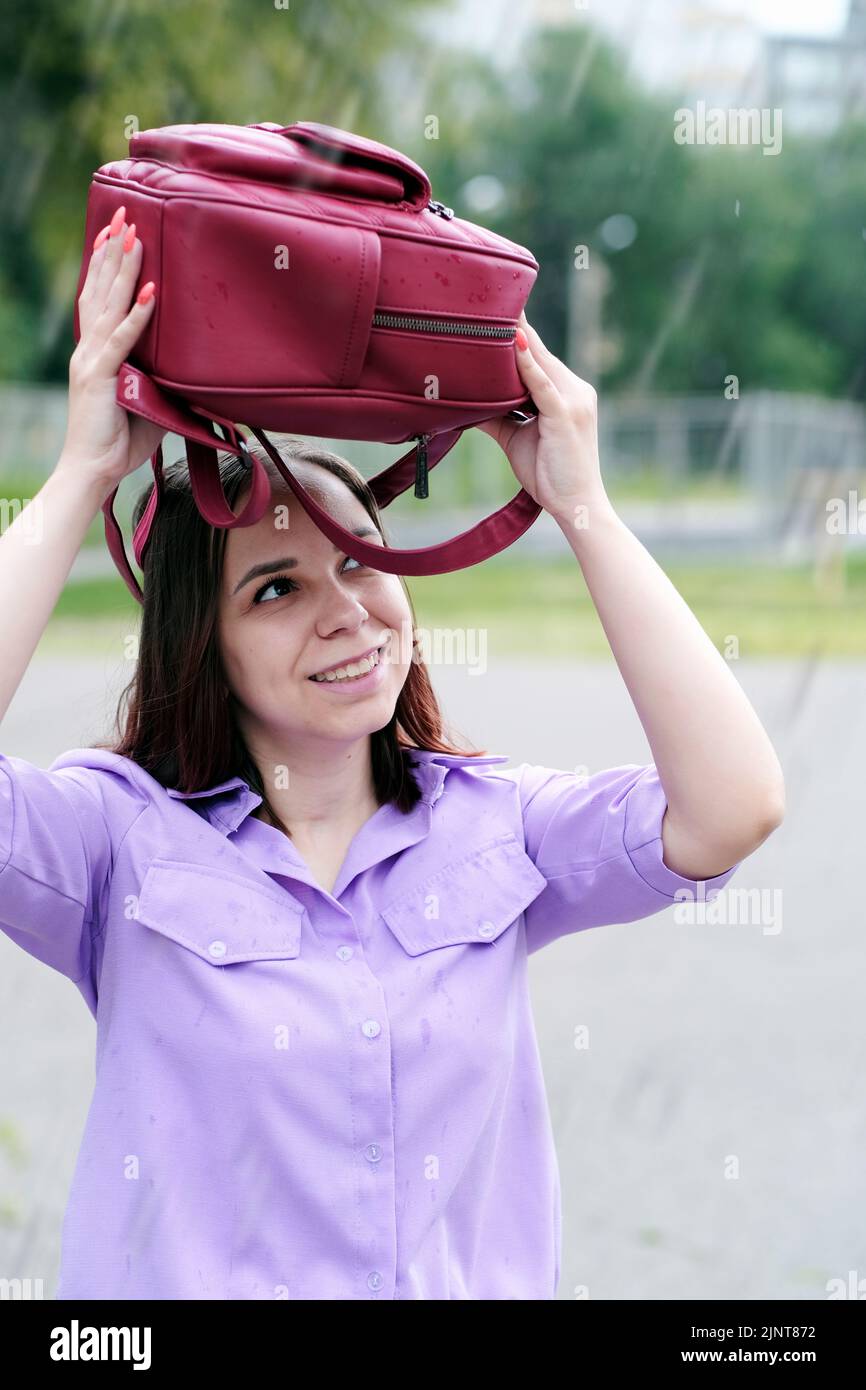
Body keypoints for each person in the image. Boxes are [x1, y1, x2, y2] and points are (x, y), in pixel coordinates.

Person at [0, 206, 785, 1300]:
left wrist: (583, 507)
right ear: (201, 643)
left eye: (359, 558)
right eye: (274, 588)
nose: (346, 612)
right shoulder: (115, 843)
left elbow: (732, 806)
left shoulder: (494, 824)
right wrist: (82, 475)